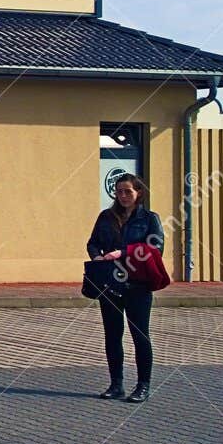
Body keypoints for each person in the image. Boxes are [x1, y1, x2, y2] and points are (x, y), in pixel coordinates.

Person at [86, 173, 164, 404]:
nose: (122, 196)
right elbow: (92, 242)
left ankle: (142, 385)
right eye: (119, 191)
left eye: (127, 191)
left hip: (138, 284)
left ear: (138, 192)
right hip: (109, 283)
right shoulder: (106, 217)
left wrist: (124, 253)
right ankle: (116, 384)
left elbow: (156, 246)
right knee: (112, 335)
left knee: (140, 335)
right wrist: (97, 256)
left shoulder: (149, 218)